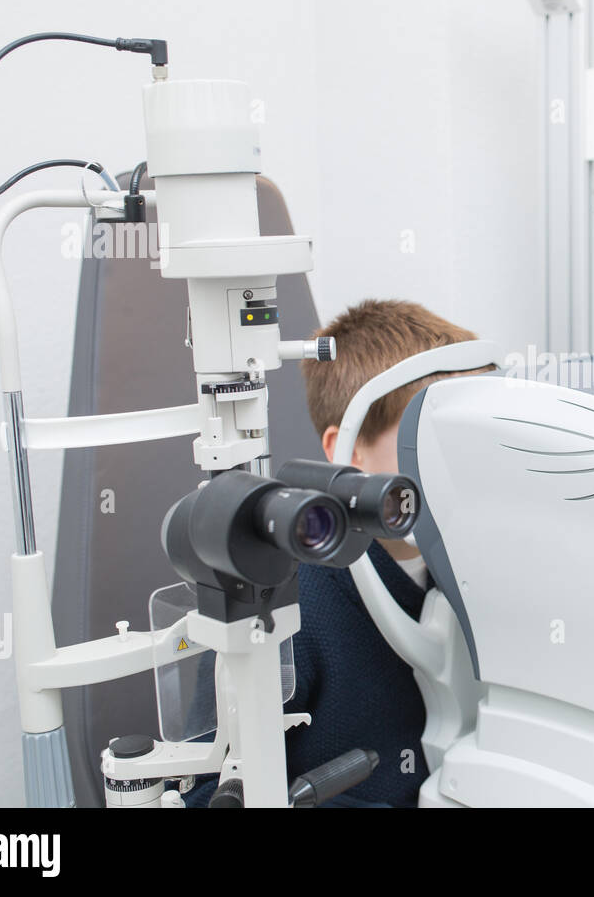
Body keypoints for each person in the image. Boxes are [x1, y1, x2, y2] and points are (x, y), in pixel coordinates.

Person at [186, 299, 490, 807]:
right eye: (435, 438)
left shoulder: (476, 571)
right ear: (348, 451)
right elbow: (206, 794)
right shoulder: (285, 601)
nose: (466, 465)